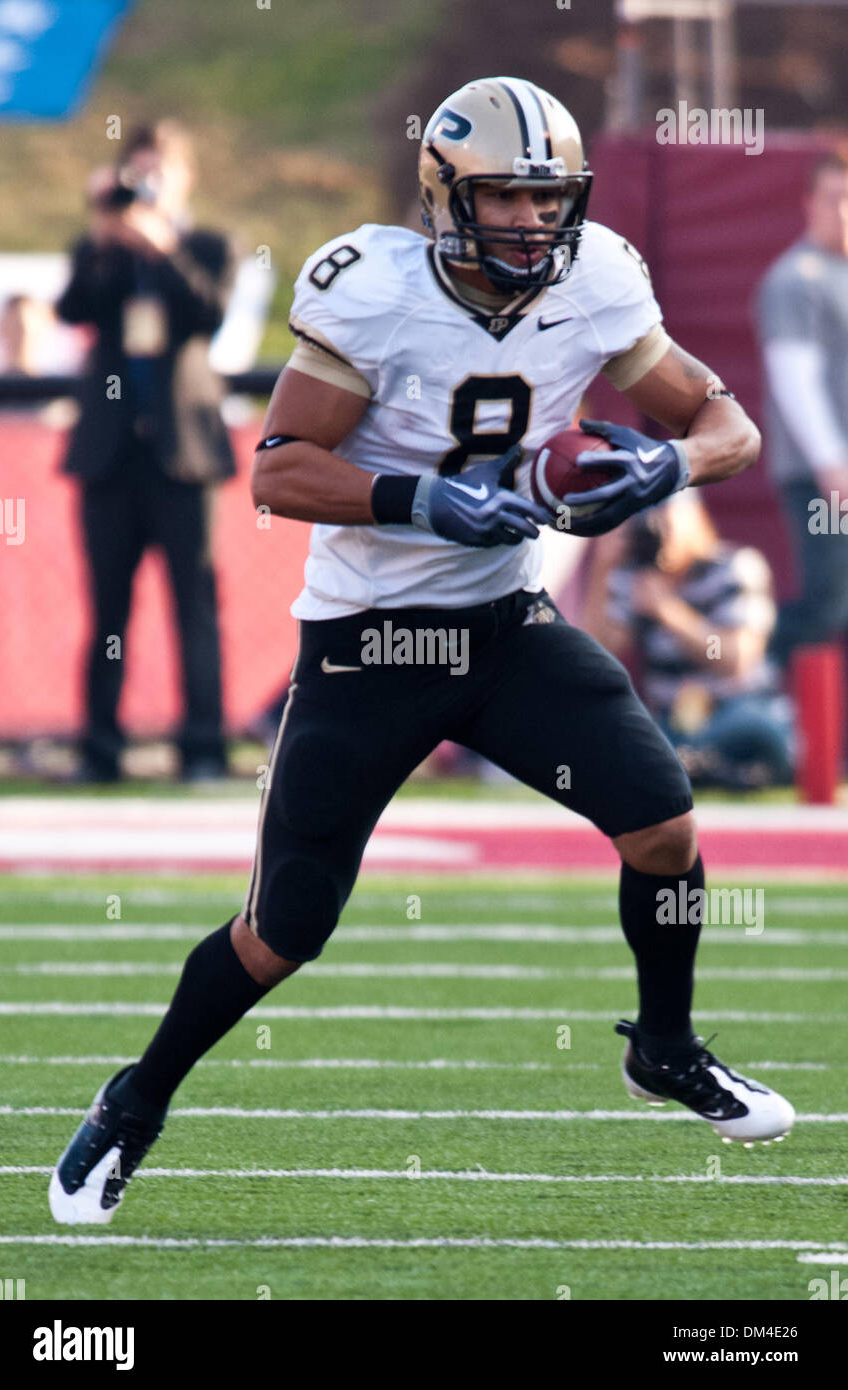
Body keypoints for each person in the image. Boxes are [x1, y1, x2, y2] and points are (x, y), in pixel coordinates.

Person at [49, 77, 793, 1226]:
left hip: (506, 627)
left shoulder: (597, 279)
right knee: (284, 927)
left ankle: (666, 1045)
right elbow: (280, 465)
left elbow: (725, 423)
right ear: (446, 196)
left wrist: (666, 468)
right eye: (506, 198)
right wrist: (420, 499)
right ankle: (133, 1102)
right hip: (368, 639)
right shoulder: (376, 290)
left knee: (665, 822)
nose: (534, 224)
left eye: (550, 201)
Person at [56, 121, 236, 784]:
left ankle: (203, 748)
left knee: (194, 605)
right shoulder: (101, 247)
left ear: (184, 178)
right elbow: (73, 309)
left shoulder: (208, 244)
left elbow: (208, 314)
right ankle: (100, 749)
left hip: (183, 453)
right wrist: (107, 238)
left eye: (158, 173)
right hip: (109, 454)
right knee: (107, 608)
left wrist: (162, 247)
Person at [584, 492, 794, 789]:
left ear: (694, 518)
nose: (656, 531)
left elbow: (736, 660)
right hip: (672, 723)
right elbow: (593, 657)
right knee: (608, 733)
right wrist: (602, 569)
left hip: (736, 709)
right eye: (646, 522)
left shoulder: (734, 567)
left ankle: (684, 765)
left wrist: (668, 611)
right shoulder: (635, 576)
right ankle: (696, 766)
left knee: (758, 730)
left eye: (665, 521)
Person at [755, 151, 848, 666]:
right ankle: (745, 670)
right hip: (822, 478)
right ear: (809, 203)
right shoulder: (796, 279)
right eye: (834, 200)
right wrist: (832, 462)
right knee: (825, 607)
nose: (843, 213)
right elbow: (795, 380)